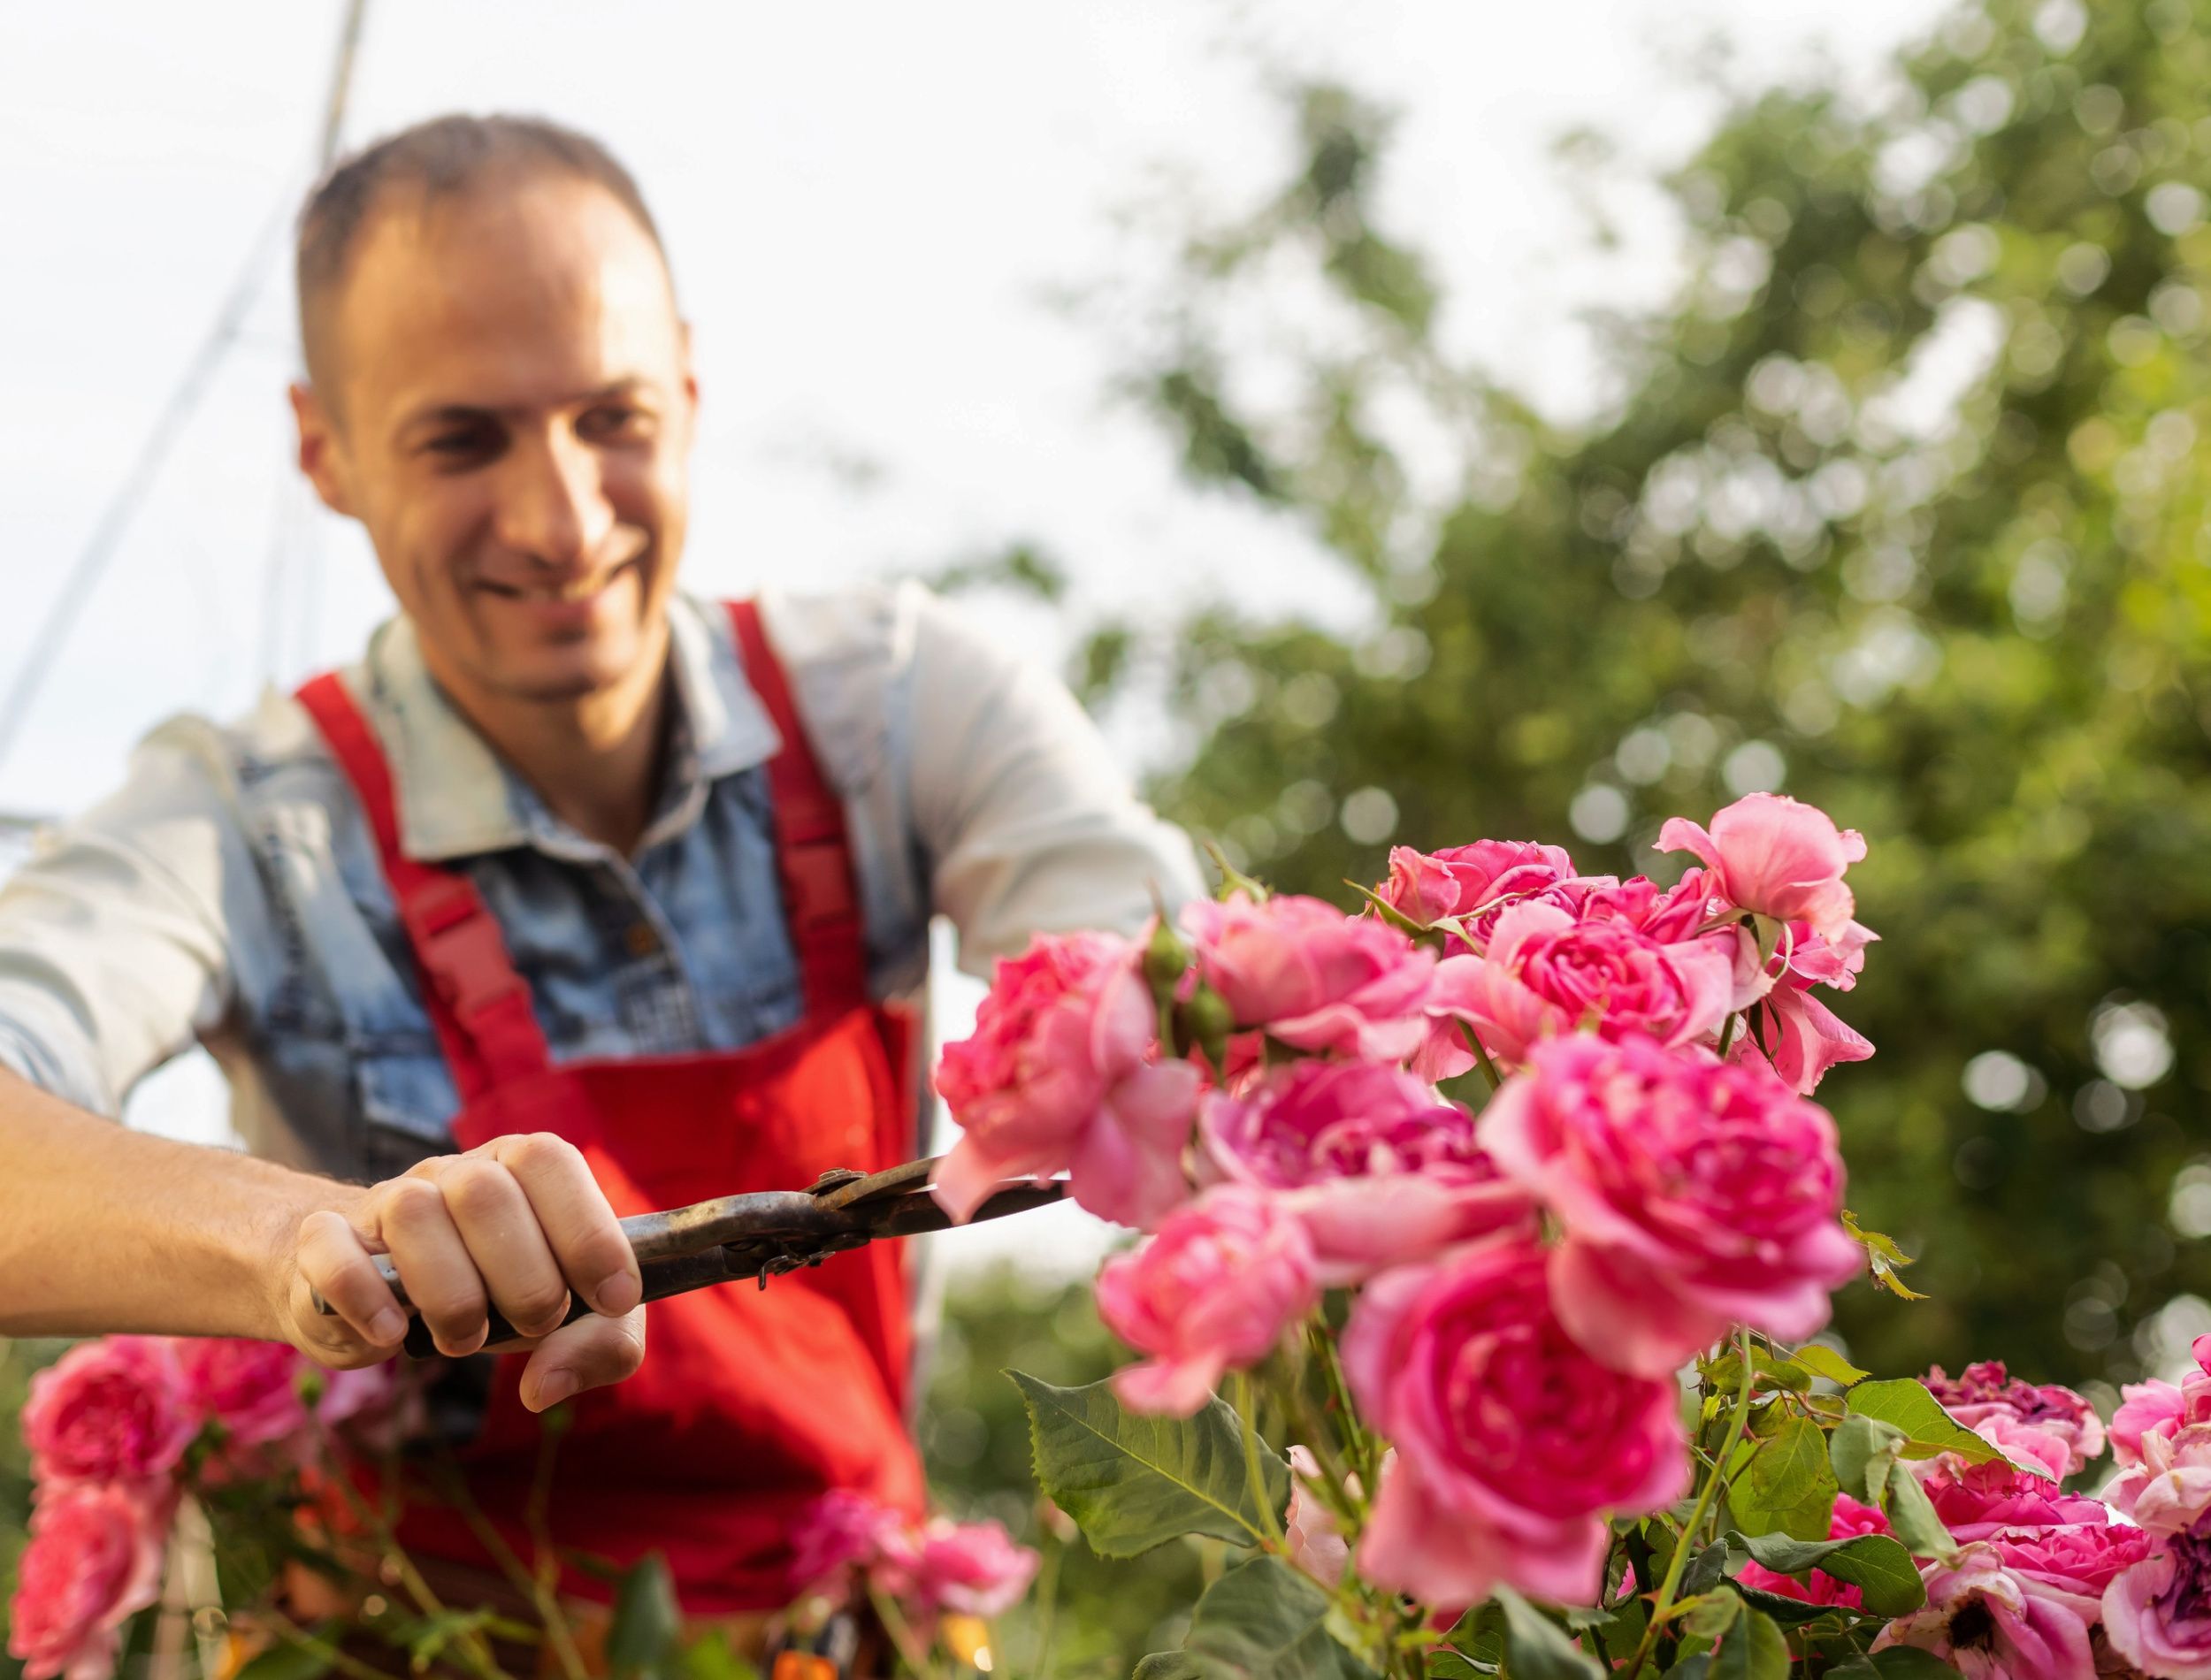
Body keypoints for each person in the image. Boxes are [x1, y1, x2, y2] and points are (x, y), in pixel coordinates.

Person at [0, 113, 1198, 1634]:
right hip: (412, 1651)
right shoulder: (240, 821)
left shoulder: (900, 711)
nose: (563, 522)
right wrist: (305, 1243)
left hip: (843, 1642)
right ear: (327, 449)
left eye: (613, 418)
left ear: (690, 392)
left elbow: (1192, 1016)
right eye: (462, 438)